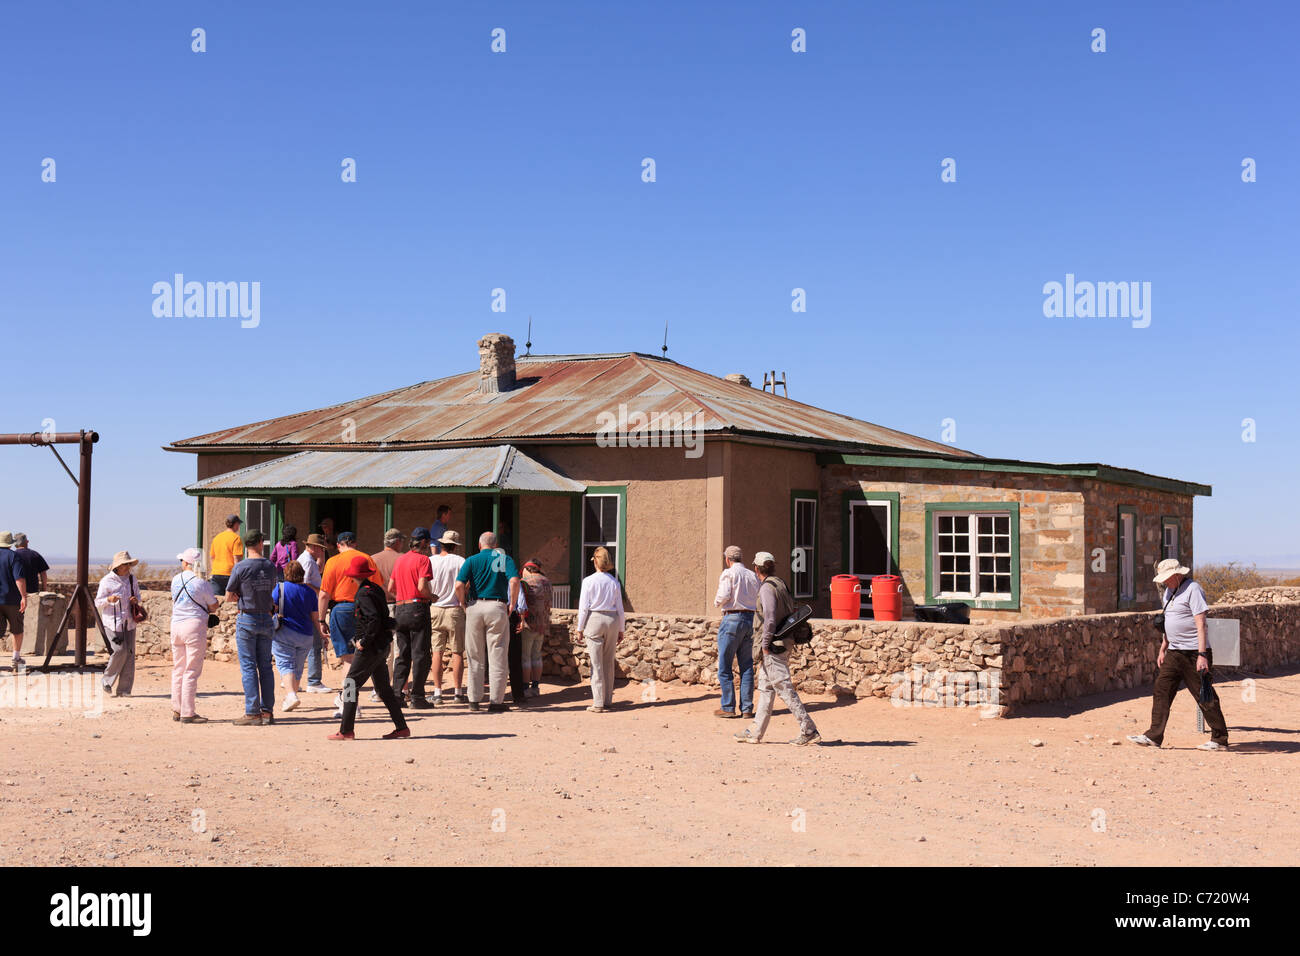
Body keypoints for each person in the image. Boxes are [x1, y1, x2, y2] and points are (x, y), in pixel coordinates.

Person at [1128, 559, 1230, 751]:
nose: (1164, 582)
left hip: (1194, 653)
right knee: (1162, 689)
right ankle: (1154, 736)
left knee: (1204, 694)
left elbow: (1201, 624)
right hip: (1174, 651)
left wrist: (1202, 655)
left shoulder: (1193, 589)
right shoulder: (1169, 591)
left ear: (1176, 575)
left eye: (1167, 578)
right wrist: (1163, 646)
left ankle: (1220, 739)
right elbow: (1170, 620)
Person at [735, 552, 820, 746]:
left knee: (783, 688)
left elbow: (770, 618)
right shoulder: (780, 584)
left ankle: (808, 729)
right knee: (766, 689)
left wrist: (764, 645)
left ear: (756, 569)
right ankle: (755, 732)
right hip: (783, 642)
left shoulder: (767, 589)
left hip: (773, 646)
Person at [328, 555, 409, 741]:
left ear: (352, 576)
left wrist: (363, 641)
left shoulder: (363, 593)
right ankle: (401, 727)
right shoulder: (375, 589)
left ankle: (346, 729)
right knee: (383, 690)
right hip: (381, 645)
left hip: (371, 647)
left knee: (350, 683)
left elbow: (373, 619)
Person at [318, 532, 383, 716]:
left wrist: (321, 620)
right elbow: (378, 587)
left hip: (342, 609)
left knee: (349, 660)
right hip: (365, 608)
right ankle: (347, 698)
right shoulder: (366, 559)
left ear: (339, 545)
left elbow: (324, 594)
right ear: (355, 543)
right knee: (362, 659)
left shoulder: (333, 562)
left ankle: (349, 703)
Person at [454, 531, 520, 712]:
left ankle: (474, 700)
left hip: (475, 605)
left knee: (475, 655)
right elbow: (514, 581)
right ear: (496, 544)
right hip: (497, 606)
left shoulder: (471, 560)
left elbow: (459, 585)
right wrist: (512, 603)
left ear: (479, 544)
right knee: (497, 654)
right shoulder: (504, 559)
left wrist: (462, 603)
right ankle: (496, 701)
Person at [225, 530, 279, 725]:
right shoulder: (270, 566)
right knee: (265, 666)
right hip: (266, 616)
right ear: (260, 543)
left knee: (248, 667)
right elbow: (272, 587)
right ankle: (267, 711)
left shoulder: (240, 567)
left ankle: (252, 711)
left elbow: (229, 595)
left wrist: (240, 595)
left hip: (247, 617)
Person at [170, 547, 218, 723]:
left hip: (176, 625)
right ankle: (188, 712)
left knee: (178, 669)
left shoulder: (175, 579)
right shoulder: (202, 583)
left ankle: (177, 708)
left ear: (186, 562)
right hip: (194, 627)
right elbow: (213, 606)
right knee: (191, 670)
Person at [390, 527, 436, 709]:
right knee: (420, 654)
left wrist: (404, 596)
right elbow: (422, 585)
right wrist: (431, 596)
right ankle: (417, 696)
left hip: (400, 607)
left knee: (403, 654)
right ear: (424, 542)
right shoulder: (424, 559)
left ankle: (397, 695)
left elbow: (392, 586)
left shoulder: (400, 559)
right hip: (417, 606)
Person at [576, 547, 624, 714]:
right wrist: (622, 628)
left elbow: (583, 608)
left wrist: (579, 628)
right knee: (608, 662)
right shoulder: (614, 581)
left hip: (595, 619)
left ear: (595, 561)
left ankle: (598, 703)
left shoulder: (588, 581)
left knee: (596, 664)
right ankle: (607, 700)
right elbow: (620, 607)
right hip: (612, 620)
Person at [713, 545, 758, 720]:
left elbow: (724, 595)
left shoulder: (728, 573)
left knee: (725, 665)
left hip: (732, 618)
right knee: (746, 666)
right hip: (750, 619)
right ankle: (747, 708)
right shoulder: (751, 575)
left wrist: (717, 602)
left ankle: (728, 706)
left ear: (727, 559)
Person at [271, 560, 322, 712]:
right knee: (298, 667)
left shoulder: (280, 588)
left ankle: (291, 694)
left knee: (285, 664)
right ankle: (290, 697)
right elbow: (315, 616)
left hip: (284, 631)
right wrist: (321, 633)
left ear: (286, 573)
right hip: (306, 634)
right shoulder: (310, 592)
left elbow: (271, 607)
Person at [95, 550, 144, 696]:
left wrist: (135, 600)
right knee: (119, 650)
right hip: (112, 624)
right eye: (125, 564)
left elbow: (138, 596)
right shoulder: (106, 581)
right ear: (118, 566)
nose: (127, 567)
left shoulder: (132, 579)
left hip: (129, 622)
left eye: (128, 564)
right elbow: (98, 602)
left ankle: (124, 690)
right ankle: (107, 680)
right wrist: (109, 600)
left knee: (129, 654)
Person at [429, 530, 467, 703]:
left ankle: (438, 692)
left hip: (435, 607)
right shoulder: (460, 561)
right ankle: (458, 692)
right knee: (457, 651)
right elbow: (466, 584)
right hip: (454, 608)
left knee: (437, 651)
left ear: (441, 544)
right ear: (455, 546)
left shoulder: (431, 561)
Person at [297, 533, 331, 694]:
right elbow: (304, 583)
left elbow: (319, 569)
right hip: (310, 605)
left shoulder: (308, 560)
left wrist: (322, 556)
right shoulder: (307, 561)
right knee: (315, 644)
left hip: (306, 605)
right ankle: (314, 680)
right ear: (314, 547)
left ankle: (295, 679)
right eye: (320, 548)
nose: (321, 551)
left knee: (305, 645)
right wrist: (321, 591)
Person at [520, 559, 552, 698]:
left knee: (525, 657)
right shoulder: (547, 581)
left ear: (528, 568)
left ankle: (526, 688)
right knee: (537, 655)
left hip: (528, 623)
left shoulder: (526, 581)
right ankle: (536, 687)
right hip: (543, 623)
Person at [0, 532, 30, 669]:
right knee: (17, 629)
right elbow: (19, 579)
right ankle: (15, 658)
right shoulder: (13, 556)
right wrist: (23, 596)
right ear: (10, 543)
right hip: (12, 600)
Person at [209, 514, 244, 596]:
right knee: (232, 602)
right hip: (230, 574)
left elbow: (212, 557)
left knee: (218, 602)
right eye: (238, 524)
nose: (238, 526)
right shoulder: (236, 538)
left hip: (216, 574)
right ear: (235, 524)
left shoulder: (217, 538)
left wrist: (214, 570)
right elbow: (236, 560)